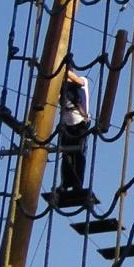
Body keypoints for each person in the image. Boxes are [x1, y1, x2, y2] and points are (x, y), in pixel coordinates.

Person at [51, 66, 94, 211]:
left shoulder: (82, 81)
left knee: (78, 154)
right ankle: (65, 184)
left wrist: (62, 69)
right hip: (66, 124)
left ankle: (77, 183)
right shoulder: (59, 88)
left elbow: (78, 82)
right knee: (66, 154)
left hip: (80, 123)